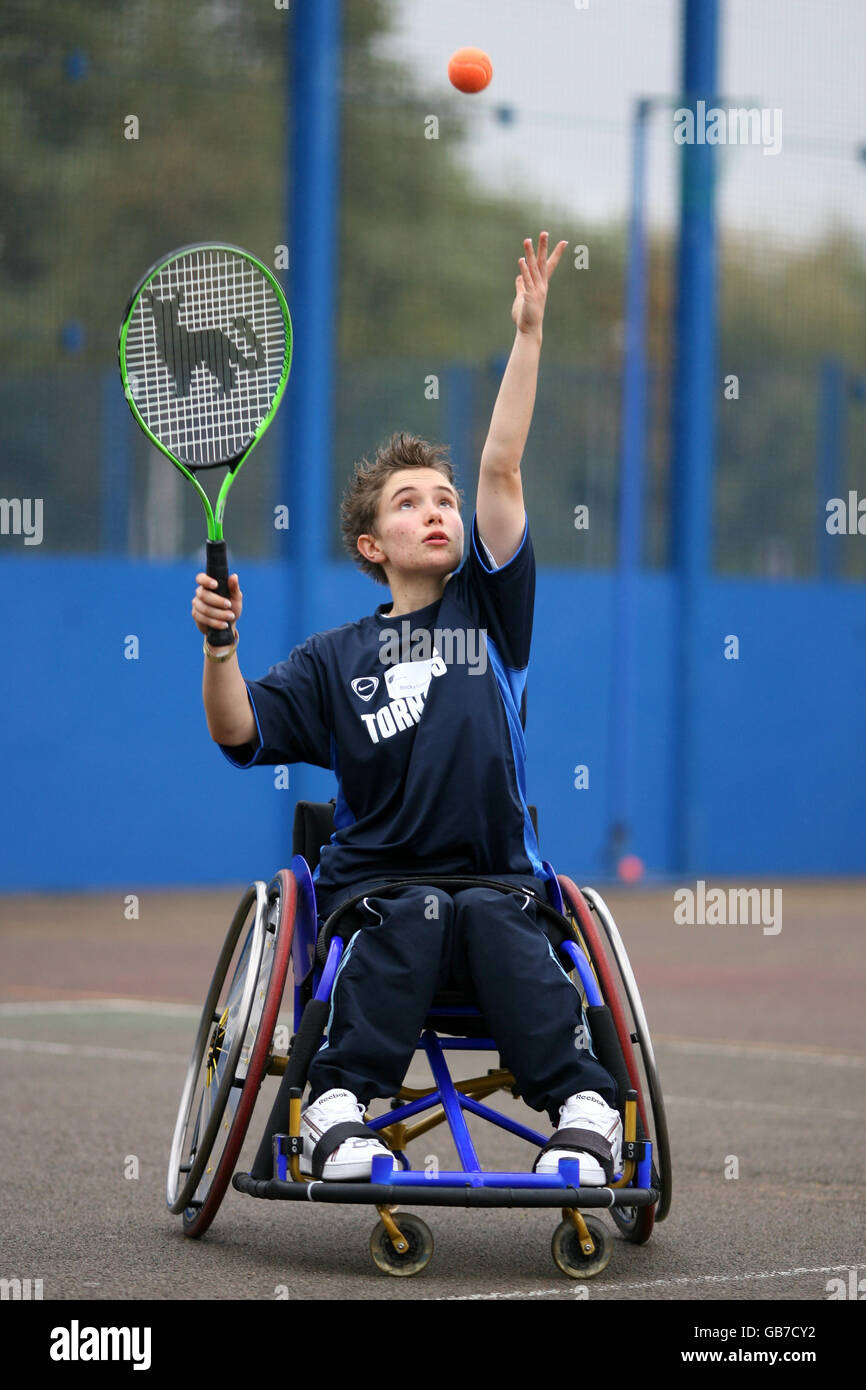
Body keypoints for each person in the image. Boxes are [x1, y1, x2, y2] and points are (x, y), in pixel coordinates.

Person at [193, 233, 623, 1185]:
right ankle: (335, 1109)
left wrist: (528, 334)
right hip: (378, 894)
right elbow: (237, 731)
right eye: (409, 504)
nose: (438, 511)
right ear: (369, 542)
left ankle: (587, 1114)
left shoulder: (490, 613)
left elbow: (503, 467)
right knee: (421, 906)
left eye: (445, 499)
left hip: (499, 883)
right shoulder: (332, 659)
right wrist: (220, 646)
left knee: (497, 918)